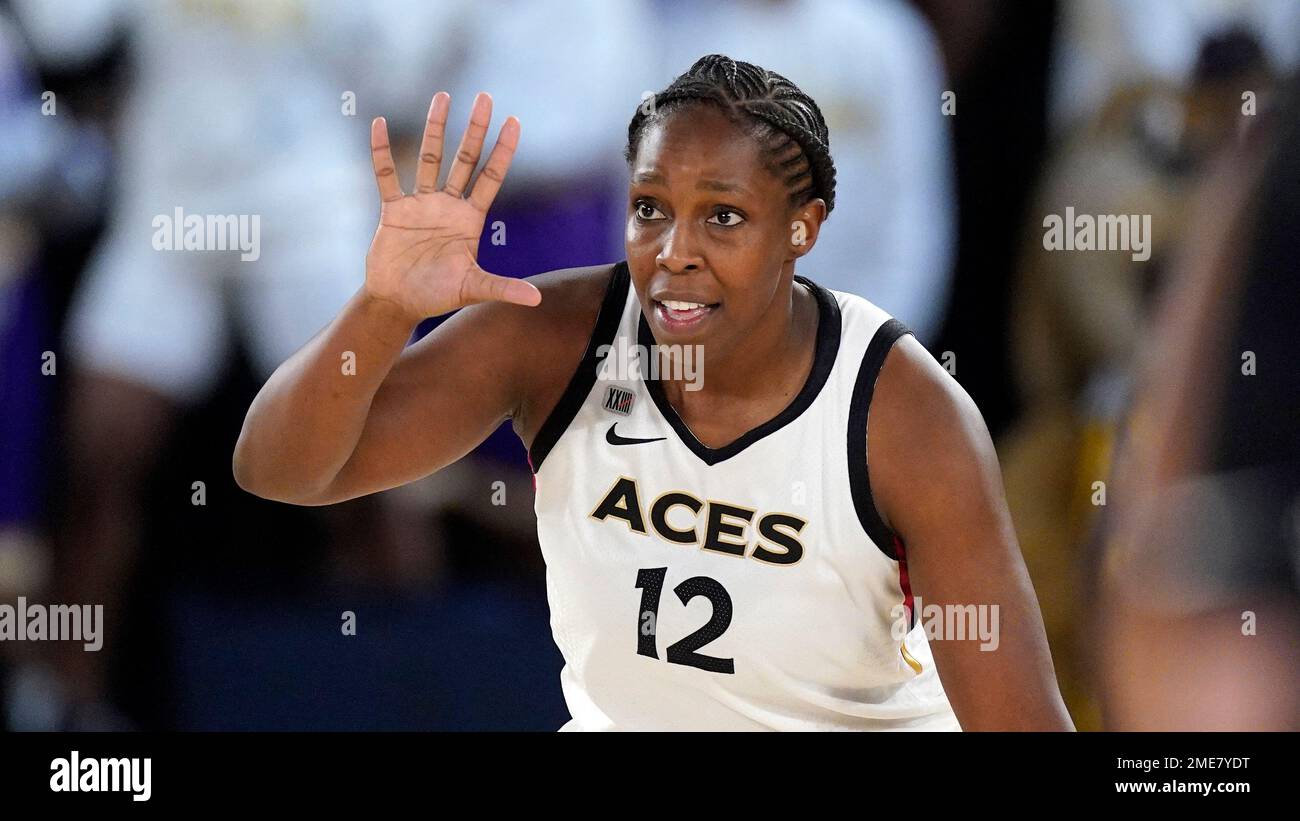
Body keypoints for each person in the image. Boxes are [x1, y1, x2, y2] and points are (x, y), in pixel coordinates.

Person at [233, 55, 1073, 731]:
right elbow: (279, 470)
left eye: (723, 216)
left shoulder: (904, 413)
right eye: (649, 208)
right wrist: (382, 310)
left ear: (802, 229)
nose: (675, 250)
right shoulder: (553, 334)